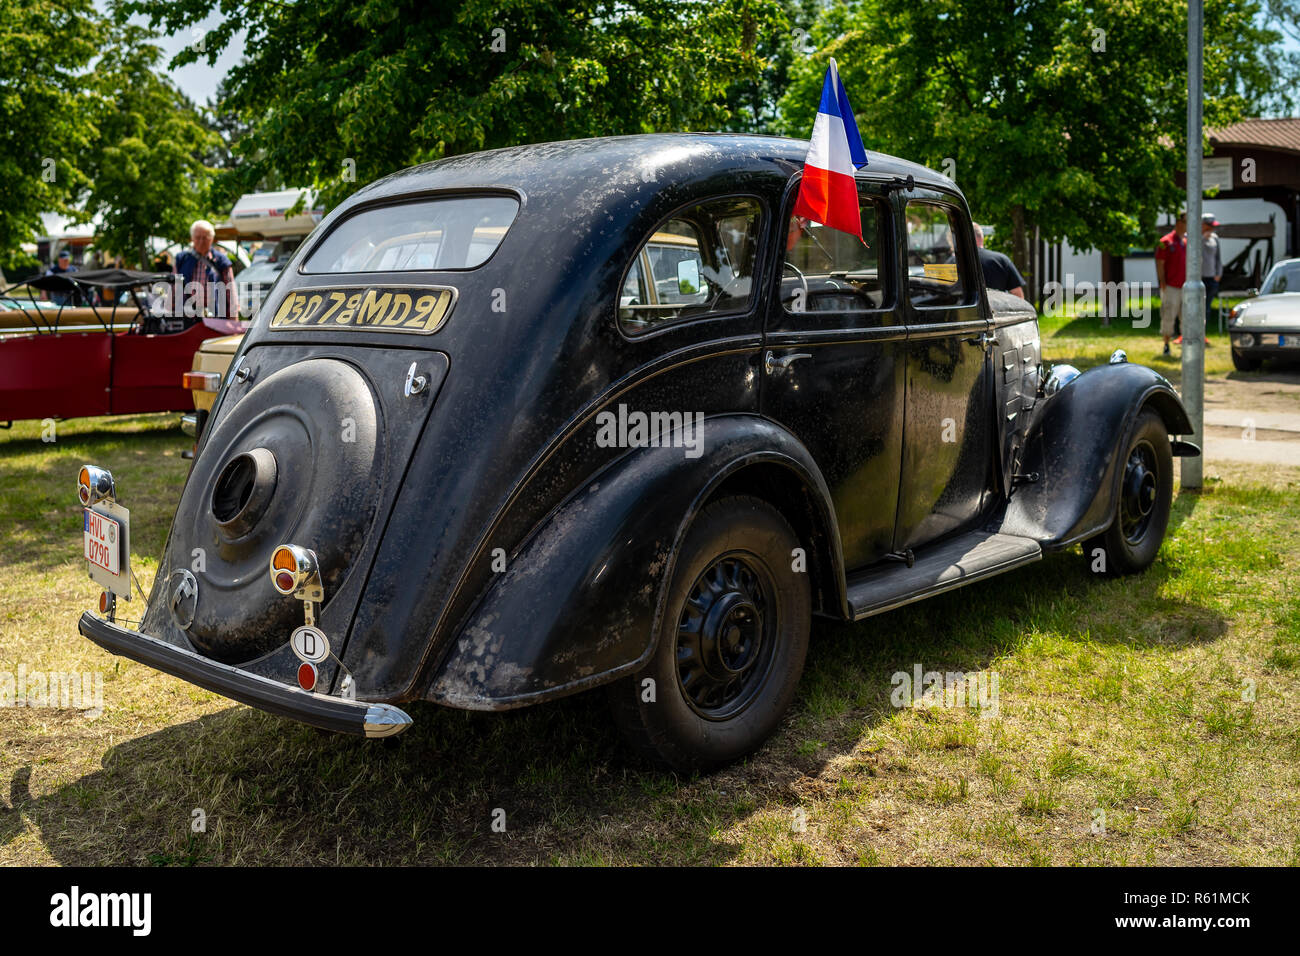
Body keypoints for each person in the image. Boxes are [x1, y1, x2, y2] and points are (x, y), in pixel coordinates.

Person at [173, 219, 242, 333]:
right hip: (188, 318)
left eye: (205, 237)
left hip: (215, 317)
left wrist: (233, 319)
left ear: (212, 239)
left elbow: (231, 291)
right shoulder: (182, 259)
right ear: (192, 239)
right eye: (198, 237)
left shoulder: (221, 261)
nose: (201, 241)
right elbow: (175, 288)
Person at [1155, 211, 1187, 355]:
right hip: (1171, 286)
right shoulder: (1166, 241)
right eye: (1186, 222)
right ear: (1179, 223)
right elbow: (1160, 264)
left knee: (1187, 317)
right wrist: (1162, 282)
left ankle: (1186, 346)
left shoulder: (1187, 242)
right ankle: (1166, 345)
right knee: (1168, 316)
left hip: (1186, 287)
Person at [973, 222, 1025, 297]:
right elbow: (1018, 294)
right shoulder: (1002, 260)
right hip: (995, 308)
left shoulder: (953, 262)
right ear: (981, 237)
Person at [1201, 213, 1222, 332]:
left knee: (1206, 308)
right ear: (1203, 225)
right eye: (1210, 226)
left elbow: (1219, 258)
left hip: (1212, 278)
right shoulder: (1194, 238)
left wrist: (1218, 274)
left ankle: (1203, 332)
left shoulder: (1215, 238)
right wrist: (1203, 238)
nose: (1212, 229)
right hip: (1199, 278)